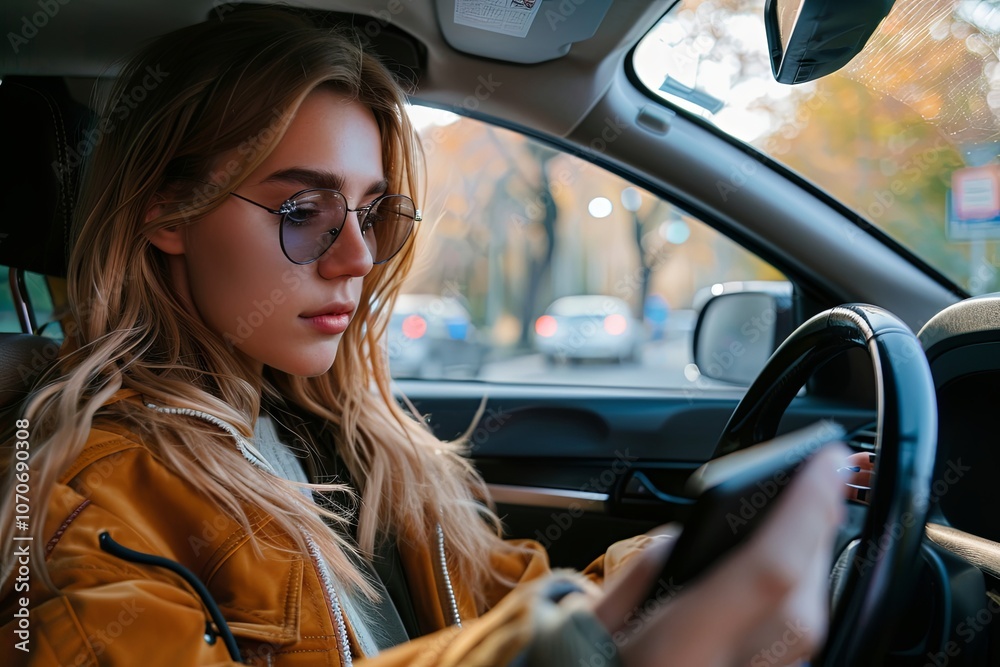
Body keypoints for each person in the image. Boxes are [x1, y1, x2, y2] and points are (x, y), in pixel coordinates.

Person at [0, 8, 851, 666]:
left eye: (371, 213)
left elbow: (505, 601)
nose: (357, 257)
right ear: (166, 212)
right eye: (304, 210)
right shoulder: (84, 500)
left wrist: (688, 555)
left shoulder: (347, 435)